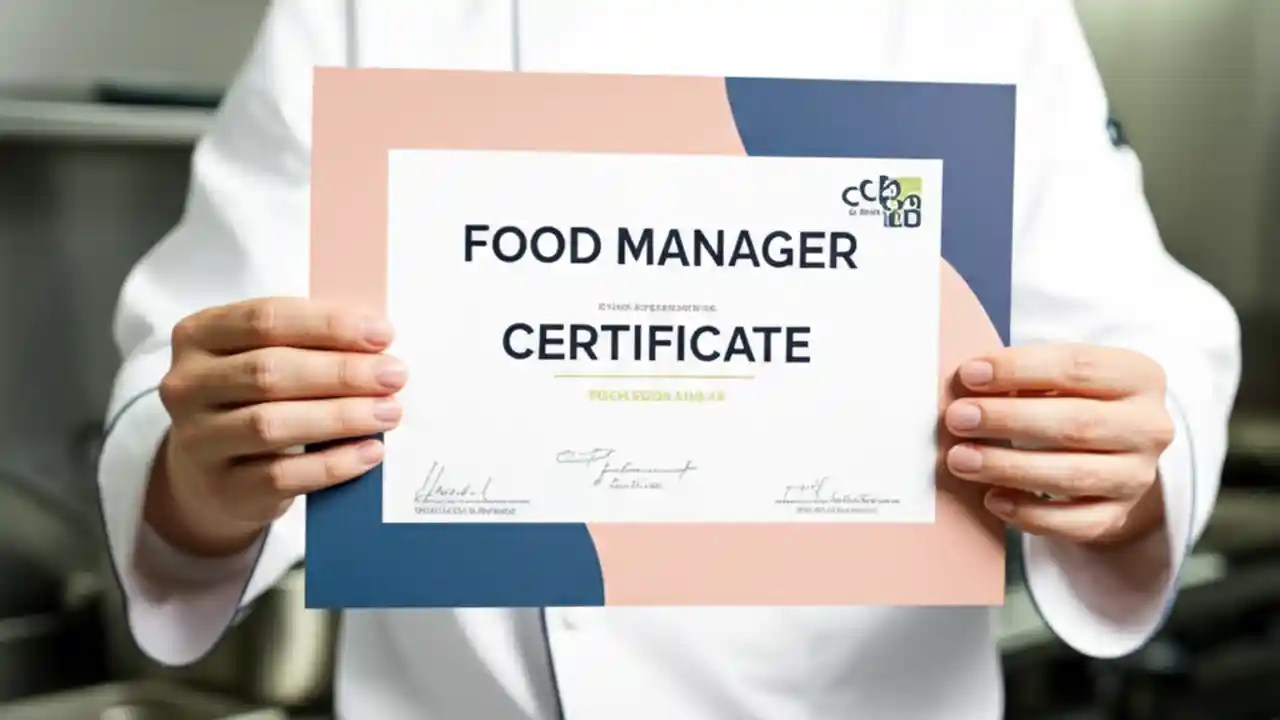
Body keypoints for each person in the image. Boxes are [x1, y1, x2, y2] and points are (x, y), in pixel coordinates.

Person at [97, 2, 1240, 718]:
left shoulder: (977, 13)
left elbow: (1138, 338)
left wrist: (1128, 463)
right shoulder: (357, 9)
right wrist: (196, 472)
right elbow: (193, 359)